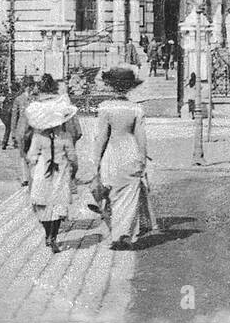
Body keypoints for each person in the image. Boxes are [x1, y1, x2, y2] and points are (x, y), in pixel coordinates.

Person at [93, 67, 155, 249]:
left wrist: (96, 161)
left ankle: (116, 233)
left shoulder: (105, 108)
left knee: (112, 194)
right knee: (129, 196)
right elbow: (141, 138)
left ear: (111, 87)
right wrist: (143, 159)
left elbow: (102, 137)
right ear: (129, 88)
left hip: (112, 154)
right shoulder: (136, 108)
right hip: (131, 152)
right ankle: (124, 233)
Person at [23, 74, 81, 253]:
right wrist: (74, 171)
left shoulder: (39, 137)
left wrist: (33, 170)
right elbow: (73, 157)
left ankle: (47, 233)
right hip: (61, 171)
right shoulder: (65, 137)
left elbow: (31, 157)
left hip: (42, 171)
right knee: (58, 206)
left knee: (43, 205)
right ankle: (53, 236)